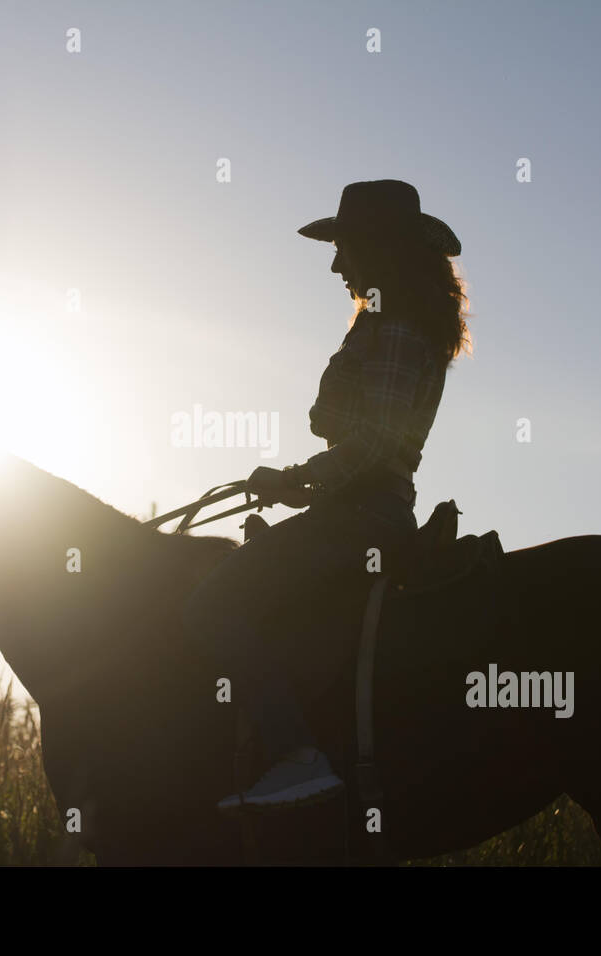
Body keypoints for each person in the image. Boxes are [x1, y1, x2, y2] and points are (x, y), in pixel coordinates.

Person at [183, 180, 471, 813]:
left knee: (212, 606)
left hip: (364, 516)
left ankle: (296, 755)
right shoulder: (393, 322)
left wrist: (297, 478)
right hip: (361, 508)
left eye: (345, 248)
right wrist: (302, 485)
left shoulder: (393, 327)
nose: (337, 264)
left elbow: (374, 441)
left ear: (380, 251)